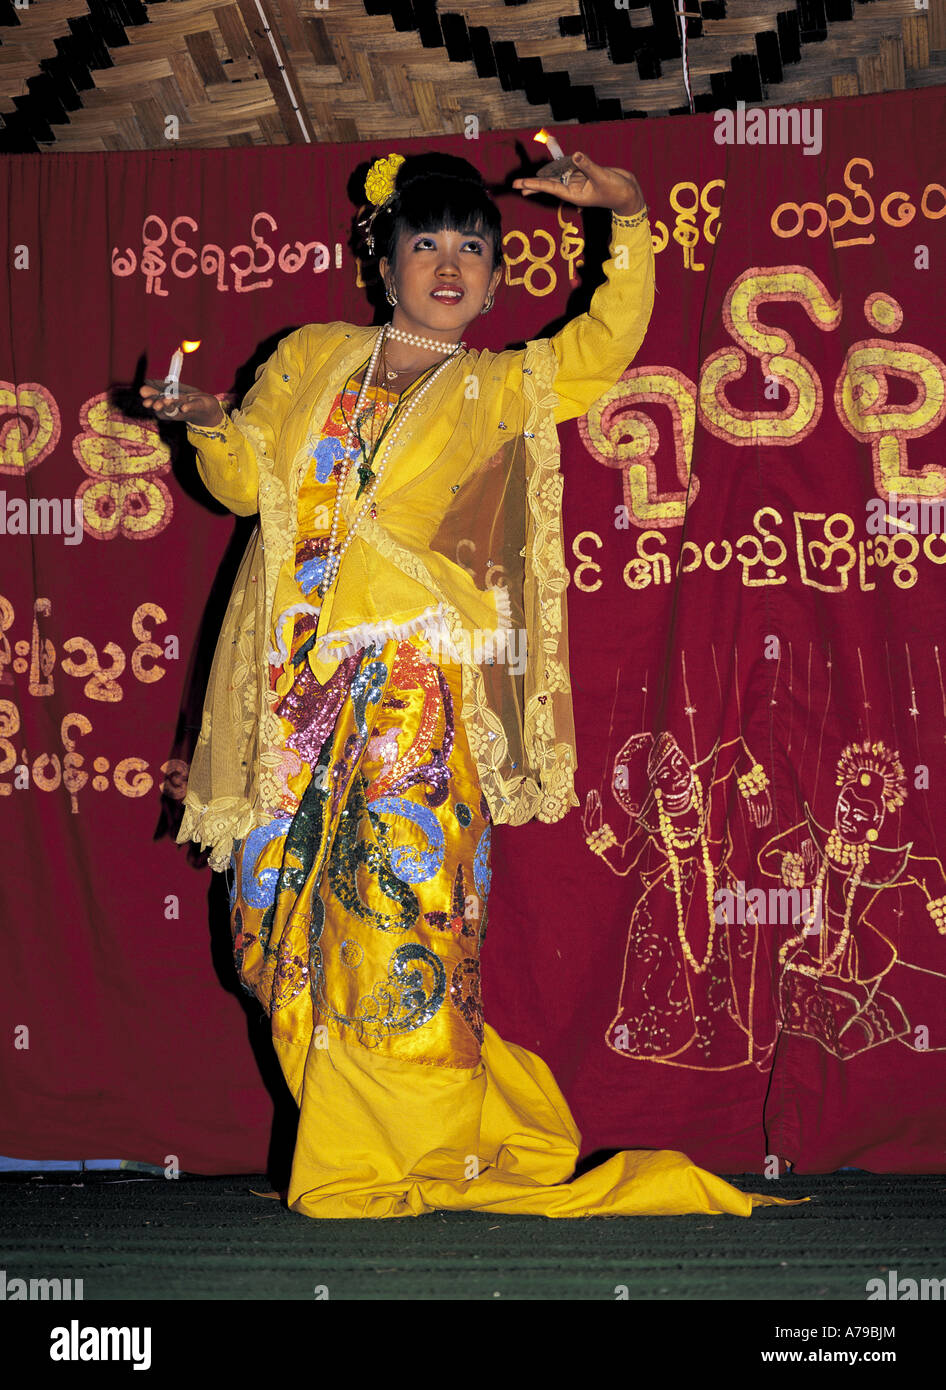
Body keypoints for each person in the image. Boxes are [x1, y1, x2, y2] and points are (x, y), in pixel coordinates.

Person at [141, 150, 798, 1218]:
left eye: (474, 248)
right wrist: (204, 419)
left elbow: (603, 340)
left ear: (494, 278)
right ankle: (416, 1133)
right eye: (428, 243)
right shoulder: (309, 357)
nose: (450, 265)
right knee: (268, 932)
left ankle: (388, 1156)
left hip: (416, 693)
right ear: (383, 260)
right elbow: (236, 481)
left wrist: (626, 215)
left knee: (395, 923)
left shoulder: (501, 386)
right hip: (284, 690)